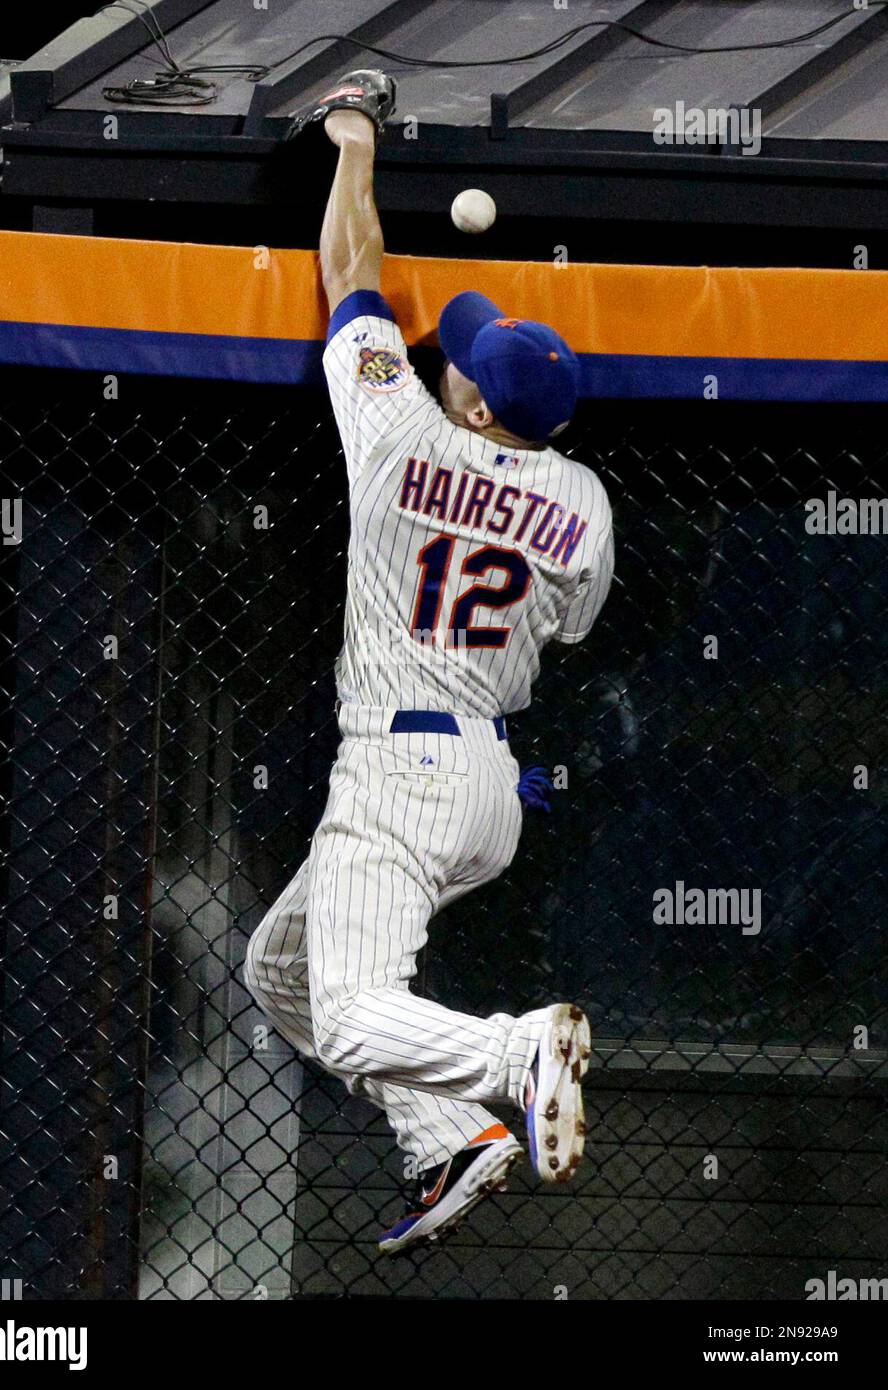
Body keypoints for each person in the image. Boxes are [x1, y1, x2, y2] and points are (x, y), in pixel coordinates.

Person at [245, 72, 615, 1254]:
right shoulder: (582, 497)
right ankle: (449, 1134)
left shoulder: (402, 436)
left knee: (348, 1015)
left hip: (399, 774)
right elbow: (564, 631)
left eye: (465, 361)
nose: (449, 356)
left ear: (475, 403)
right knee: (281, 971)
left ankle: (516, 1052)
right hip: (490, 788)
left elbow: (350, 274)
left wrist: (354, 145)